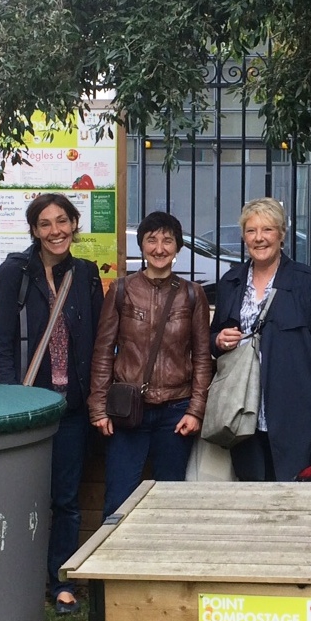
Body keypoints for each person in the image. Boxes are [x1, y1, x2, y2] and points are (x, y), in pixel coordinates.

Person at [0, 193, 105, 615]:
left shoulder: (86, 273)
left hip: (70, 406)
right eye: (45, 224)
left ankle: (60, 581)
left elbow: (97, 340)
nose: (55, 230)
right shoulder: (16, 273)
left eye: (62, 221)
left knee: (66, 498)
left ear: (74, 224)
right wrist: (7, 401)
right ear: (34, 231)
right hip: (27, 406)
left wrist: (95, 396)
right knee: (21, 496)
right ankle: (15, 580)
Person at [89, 211, 213, 516]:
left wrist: (196, 410)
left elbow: (201, 357)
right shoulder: (120, 290)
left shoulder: (192, 295)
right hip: (129, 410)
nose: (159, 248)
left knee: (170, 502)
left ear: (178, 247)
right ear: (142, 246)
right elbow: (104, 352)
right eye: (152, 240)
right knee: (118, 501)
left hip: (175, 412)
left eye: (167, 240)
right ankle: (111, 564)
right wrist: (98, 406)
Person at [213, 197, 311, 480]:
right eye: (251, 231)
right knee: (251, 495)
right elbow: (214, 336)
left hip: (296, 414)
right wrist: (219, 340)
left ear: (282, 234)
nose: (259, 238)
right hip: (242, 415)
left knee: (294, 498)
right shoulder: (231, 282)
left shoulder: (307, 282)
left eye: (268, 230)